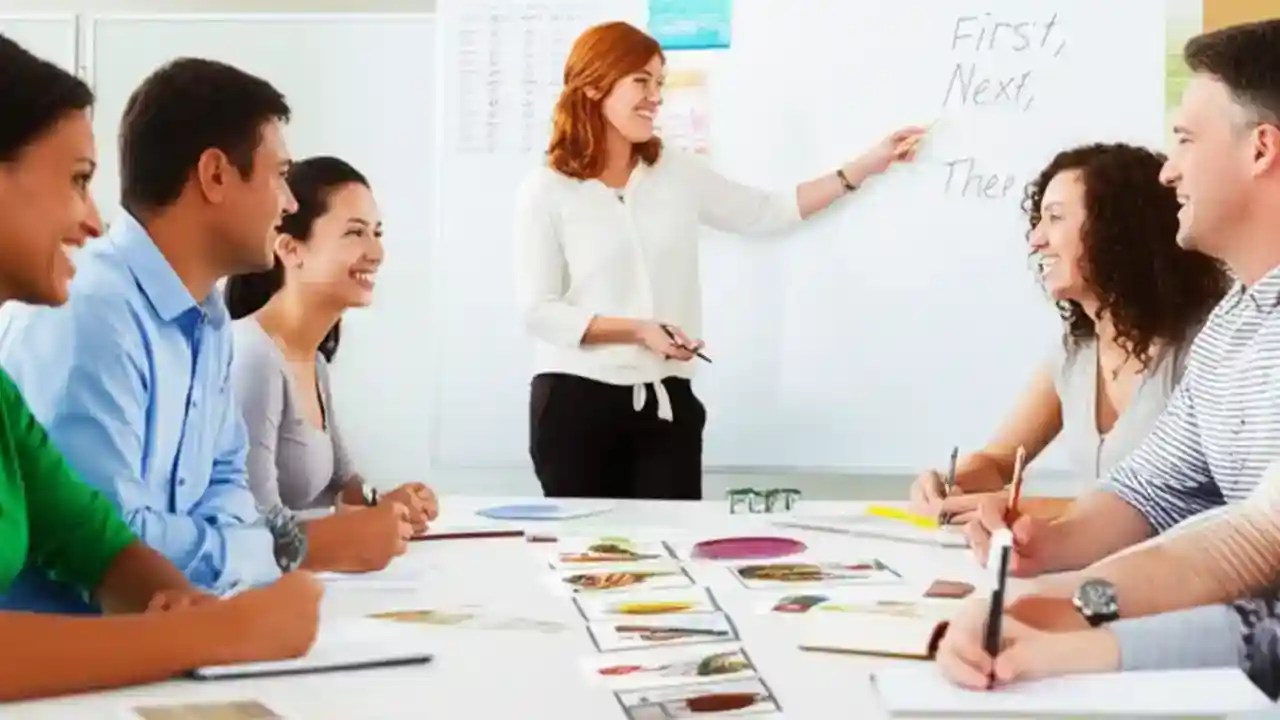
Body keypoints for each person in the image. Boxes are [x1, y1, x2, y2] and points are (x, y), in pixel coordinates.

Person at [0, 56, 413, 613]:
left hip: (160, 637)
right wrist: (292, 551)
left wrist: (246, 565)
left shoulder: (209, 322)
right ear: (216, 175)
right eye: (281, 176)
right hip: (75, 667)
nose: (289, 204)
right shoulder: (91, 311)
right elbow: (114, 537)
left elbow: (227, 496)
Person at [937, 16, 1280, 684]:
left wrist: (1061, 618)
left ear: (1261, 149)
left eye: (1184, 141)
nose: (1168, 171)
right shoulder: (1237, 322)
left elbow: (1256, 541)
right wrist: (1049, 578)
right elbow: (1152, 491)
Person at [0, 32, 319, 702]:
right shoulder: (91, 311)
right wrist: (219, 632)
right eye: (78, 181)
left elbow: (95, 538)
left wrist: (189, 605)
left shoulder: (2, 403)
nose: (93, 220)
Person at [515, 21, 925, 501]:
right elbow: (538, 310)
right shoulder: (547, 190)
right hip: (574, 401)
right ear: (592, 86)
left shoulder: (675, 172)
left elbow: (766, 211)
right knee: (588, 562)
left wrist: (863, 167)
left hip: (667, 401)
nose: (655, 97)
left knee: (672, 558)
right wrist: (637, 329)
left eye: (659, 83)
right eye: (640, 82)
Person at [908, 143, 1227, 523]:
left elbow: (1220, 512)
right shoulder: (1075, 352)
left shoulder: (1208, 345)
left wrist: (1041, 510)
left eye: (1055, 218)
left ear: (1117, 231)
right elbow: (1000, 461)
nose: (1036, 239)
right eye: (1038, 220)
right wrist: (955, 482)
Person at [224, 156, 438, 526]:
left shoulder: (314, 361)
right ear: (291, 249)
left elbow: (343, 484)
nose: (377, 253)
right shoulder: (253, 357)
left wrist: (389, 502)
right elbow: (255, 521)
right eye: (355, 233)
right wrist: (359, 526)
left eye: (377, 233)